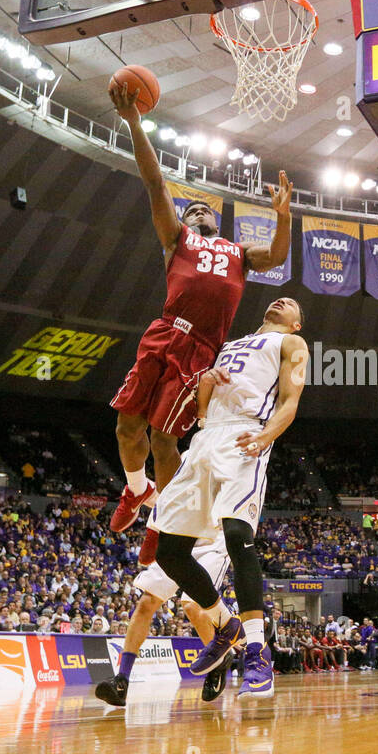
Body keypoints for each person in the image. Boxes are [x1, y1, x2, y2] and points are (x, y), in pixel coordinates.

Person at [105, 80, 293, 560]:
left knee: (165, 439)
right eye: (193, 208)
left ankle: (163, 521)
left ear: (220, 221)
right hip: (164, 334)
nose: (199, 209)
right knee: (128, 427)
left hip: (201, 351)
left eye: (206, 208)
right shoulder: (177, 240)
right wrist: (134, 123)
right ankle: (135, 489)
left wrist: (284, 218)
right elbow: (155, 183)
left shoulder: (238, 253)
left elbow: (275, 255)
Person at [146, 298, 308, 700]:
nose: (282, 299)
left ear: (296, 323)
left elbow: (290, 401)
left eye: (292, 304)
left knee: (238, 535)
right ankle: (224, 623)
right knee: (169, 550)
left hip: (246, 435)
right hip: (206, 438)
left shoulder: (292, 345)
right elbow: (203, 410)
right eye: (278, 297)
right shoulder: (230, 344)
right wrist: (203, 389)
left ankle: (257, 651)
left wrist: (265, 437)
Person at [95, 533, 234, 707]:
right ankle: (121, 681)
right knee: (146, 602)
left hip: (213, 541)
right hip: (180, 536)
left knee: (191, 605)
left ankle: (219, 659)